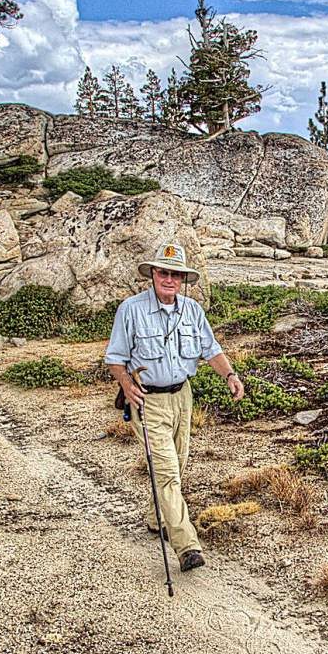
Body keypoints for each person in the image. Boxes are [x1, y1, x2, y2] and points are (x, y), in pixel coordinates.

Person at [105, 242, 245, 574]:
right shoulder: (131, 309)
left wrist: (230, 374)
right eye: (163, 272)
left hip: (183, 397)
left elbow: (210, 348)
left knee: (177, 466)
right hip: (148, 400)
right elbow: (114, 358)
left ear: (183, 279)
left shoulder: (192, 311)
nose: (169, 279)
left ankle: (158, 519)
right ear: (153, 274)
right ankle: (186, 545)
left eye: (175, 274)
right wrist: (126, 385)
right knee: (167, 472)